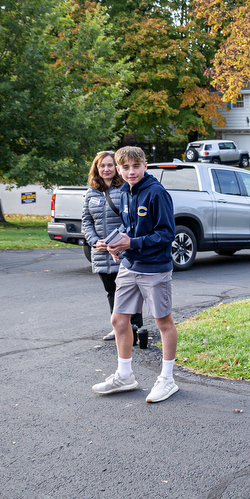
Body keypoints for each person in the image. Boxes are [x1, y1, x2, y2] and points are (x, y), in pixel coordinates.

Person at [92, 146, 180, 403]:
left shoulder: (156, 193)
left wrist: (131, 243)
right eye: (126, 167)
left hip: (154, 269)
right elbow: (129, 227)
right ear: (119, 170)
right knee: (119, 321)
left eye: (136, 166)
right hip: (129, 265)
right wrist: (115, 243)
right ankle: (125, 376)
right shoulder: (125, 192)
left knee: (163, 323)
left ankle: (167, 379)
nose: (131, 172)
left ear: (145, 166)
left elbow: (166, 234)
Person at [81, 151, 145, 344]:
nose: (106, 169)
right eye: (102, 166)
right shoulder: (91, 192)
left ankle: (135, 328)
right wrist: (95, 241)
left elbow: (130, 219)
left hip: (122, 249)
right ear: (96, 169)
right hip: (101, 252)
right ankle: (118, 328)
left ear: (116, 168)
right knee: (111, 291)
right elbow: (86, 221)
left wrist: (114, 241)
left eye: (109, 165)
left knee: (129, 290)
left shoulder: (125, 189)